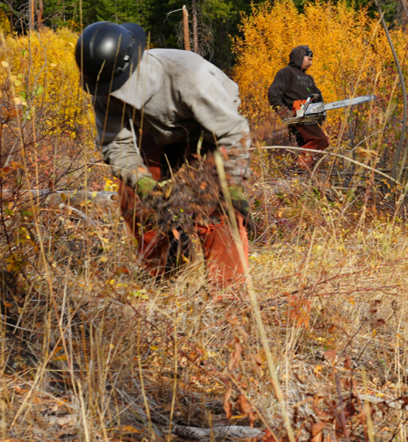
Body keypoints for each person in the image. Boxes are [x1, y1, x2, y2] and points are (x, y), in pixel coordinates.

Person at [74, 21, 252, 289]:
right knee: (132, 196)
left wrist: (232, 183)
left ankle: (229, 290)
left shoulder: (190, 76)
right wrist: (146, 185)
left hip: (209, 130)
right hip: (161, 132)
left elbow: (232, 133)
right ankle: (164, 270)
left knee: (214, 204)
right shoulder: (104, 89)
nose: (112, 94)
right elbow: (116, 144)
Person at [267, 45, 330, 171]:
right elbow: (274, 92)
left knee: (306, 144)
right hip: (297, 115)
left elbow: (317, 95)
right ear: (300, 57)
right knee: (321, 140)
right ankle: (299, 167)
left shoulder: (308, 78)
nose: (311, 63)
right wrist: (282, 110)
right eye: (309, 59)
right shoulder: (286, 73)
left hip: (309, 115)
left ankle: (303, 174)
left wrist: (320, 110)